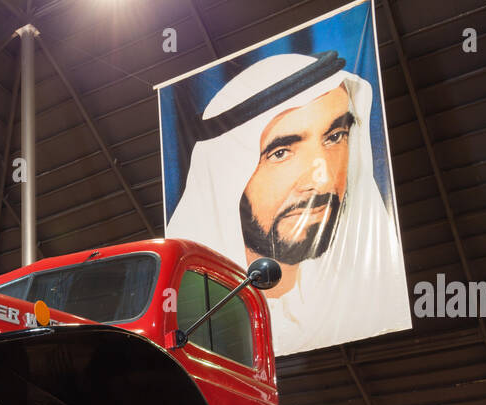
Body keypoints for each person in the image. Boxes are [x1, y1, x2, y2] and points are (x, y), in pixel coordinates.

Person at [167, 51, 410, 355]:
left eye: (335, 137)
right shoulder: (200, 327)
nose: (321, 180)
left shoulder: (363, 300)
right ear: (227, 179)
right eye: (281, 153)